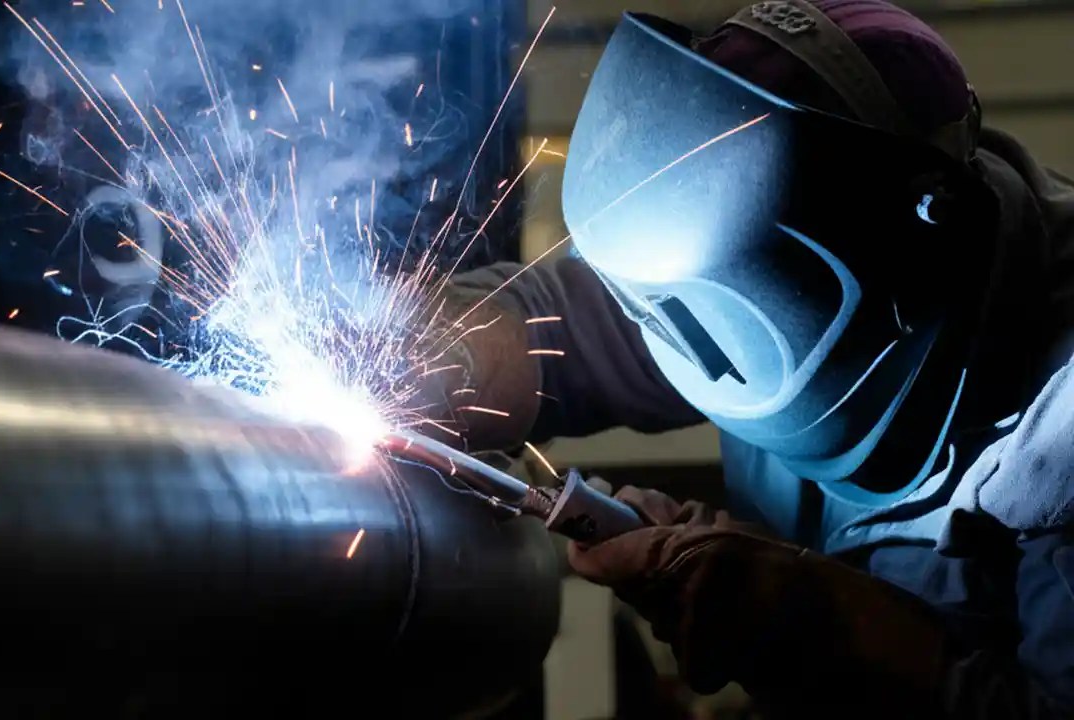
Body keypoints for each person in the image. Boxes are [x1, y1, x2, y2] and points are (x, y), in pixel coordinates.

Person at [425, 1, 1074, 717]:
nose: (661, 326)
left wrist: (806, 622)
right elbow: (572, 322)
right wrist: (432, 352)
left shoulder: (1058, 425)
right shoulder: (743, 257)